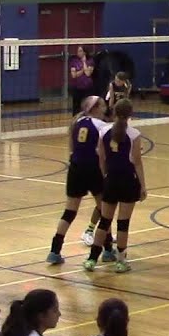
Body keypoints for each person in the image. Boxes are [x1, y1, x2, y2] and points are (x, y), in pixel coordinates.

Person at [83, 99, 149, 273]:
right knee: (123, 223)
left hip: (110, 180)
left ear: (113, 112)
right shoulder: (134, 134)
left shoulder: (104, 131)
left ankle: (91, 259)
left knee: (104, 222)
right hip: (128, 181)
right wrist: (143, 186)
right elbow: (137, 161)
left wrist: (106, 175)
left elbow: (101, 158)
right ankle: (121, 262)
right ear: (130, 114)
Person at [48, 96, 115, 265]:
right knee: (104, 210)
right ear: (95, 108)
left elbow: (71, 146)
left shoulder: (77, 122)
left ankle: (54, 251)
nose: (105, 108)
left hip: (76, 168)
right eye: (102, 105)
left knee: (69, 212)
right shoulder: (101, 126)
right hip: (93, 169)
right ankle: (107, 250)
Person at [68, 46, 95, 116]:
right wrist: (83, 70)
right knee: (76, 107)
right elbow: (74, 75)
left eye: (80, 51)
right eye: (78, 51)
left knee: (87, 106)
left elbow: (88, 74)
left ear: (84, 52)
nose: (78, 53)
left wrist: (84, 62)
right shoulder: (74, 61)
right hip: (77, 87)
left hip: (88, 88)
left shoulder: (90, 61)